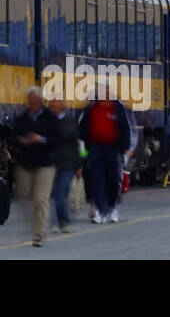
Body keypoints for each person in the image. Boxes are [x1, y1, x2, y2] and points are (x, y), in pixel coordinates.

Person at [78, 83, 133, 224]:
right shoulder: (91, 109)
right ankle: (100, 211)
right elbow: (81, 131)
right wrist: (83, 153)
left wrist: (126, 148)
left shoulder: (117, 108)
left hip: (112, 149)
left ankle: (112, 208)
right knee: (97, 180)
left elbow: (125, 128)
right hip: (95, 148)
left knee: (113, 180)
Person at [10, 87, 58, 247]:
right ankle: (36, 222)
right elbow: (13, 137)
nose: (32, 105)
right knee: (23, 195)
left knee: (40, 198)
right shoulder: (22, 118)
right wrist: (21, 140)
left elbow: (57, 140)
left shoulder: (50, 118)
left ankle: (38, 233)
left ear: (41, 102)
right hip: (25, 162)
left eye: (35, 102)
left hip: (45, 163)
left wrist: (42, 140)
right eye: (30, 102)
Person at [48, 96, 81, 234]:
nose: (54, 104)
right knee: (56, 195)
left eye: (57, 101)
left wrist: (80, 163)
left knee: (60, 194)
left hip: (67, 163)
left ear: (62, 104)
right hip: (50, 163)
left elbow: (77, 144)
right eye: (52, 101)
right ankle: (60, 222)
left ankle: (62, 222)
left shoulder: (68, 121)